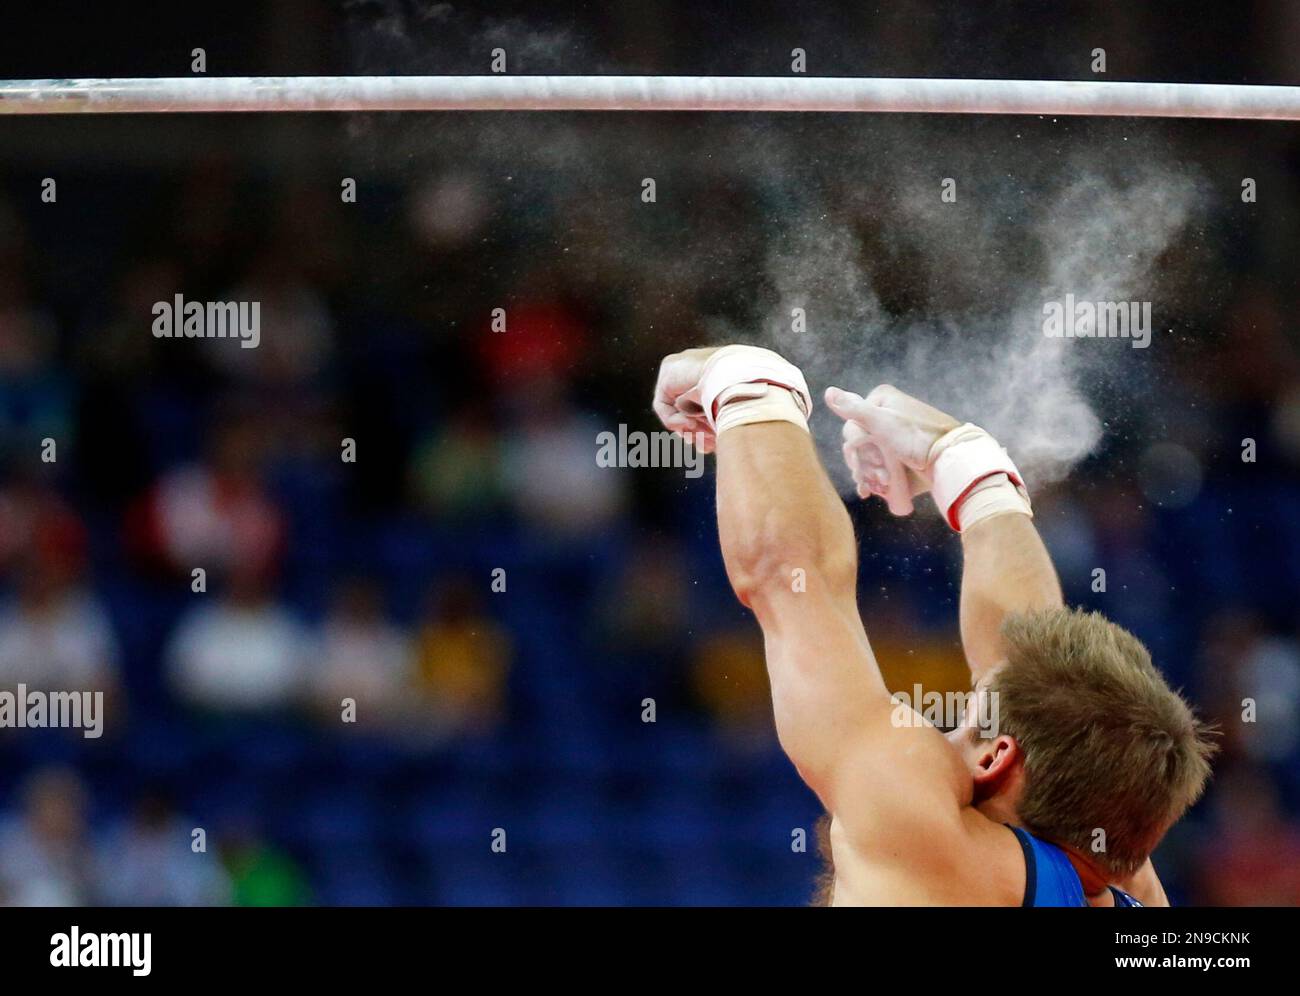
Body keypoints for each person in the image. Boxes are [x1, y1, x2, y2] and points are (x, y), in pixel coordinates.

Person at [652, 344, 1216, 906]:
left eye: (969, 711)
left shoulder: (923, 833)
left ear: (995, 757)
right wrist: (965, 465)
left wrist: (748, 383)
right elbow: (1028, 653)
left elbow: (789, 577)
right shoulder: (1129, 878)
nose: (942, 724)